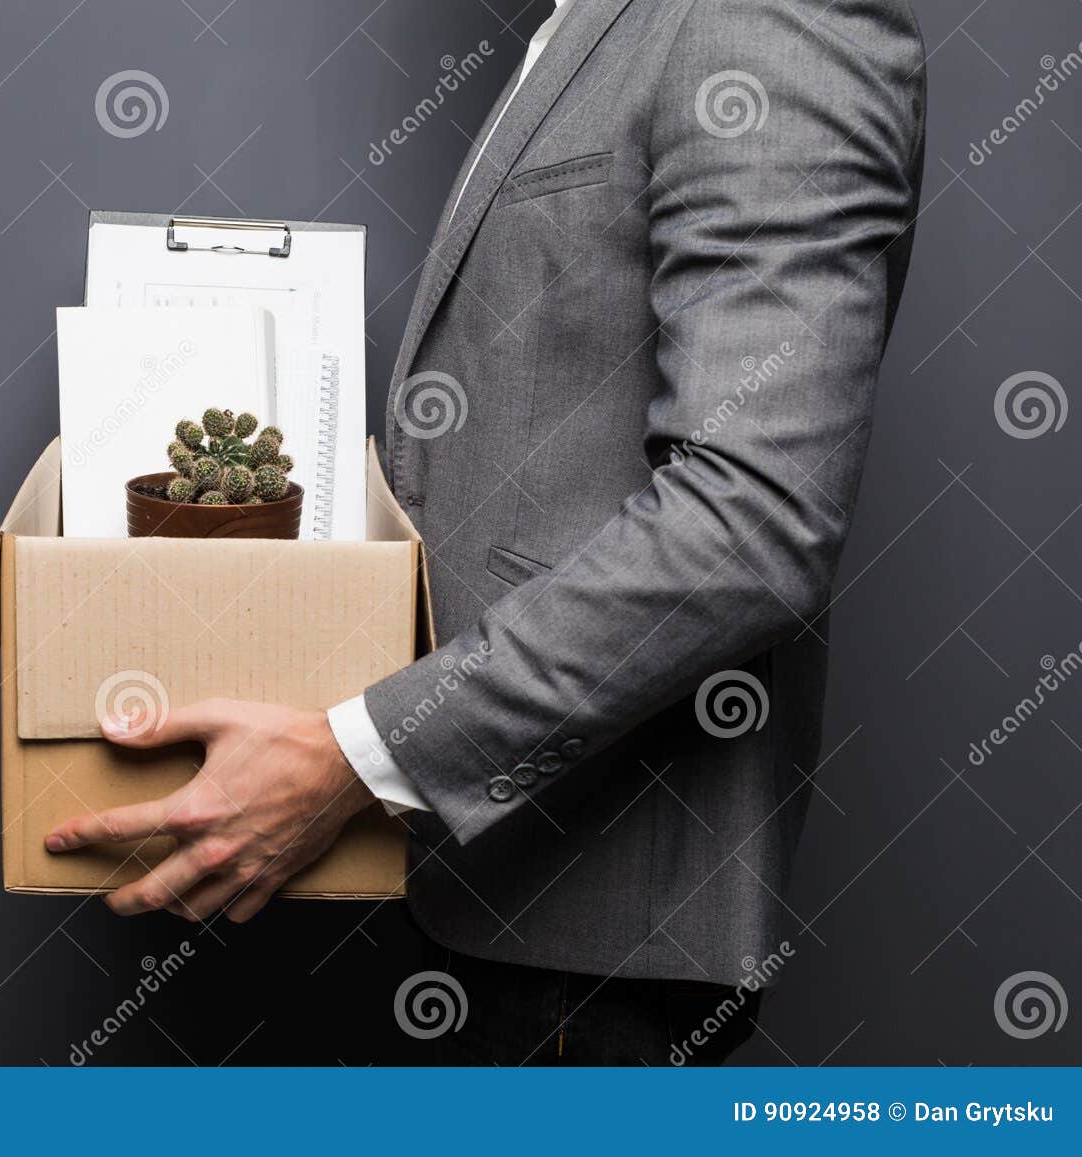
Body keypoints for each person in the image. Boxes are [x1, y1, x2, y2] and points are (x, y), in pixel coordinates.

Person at [46, 0, 926, 1065]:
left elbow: (751, 521)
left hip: (592, 927)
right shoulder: (598, 22)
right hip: (486, 881)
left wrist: (357, 757)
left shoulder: (762, 21)